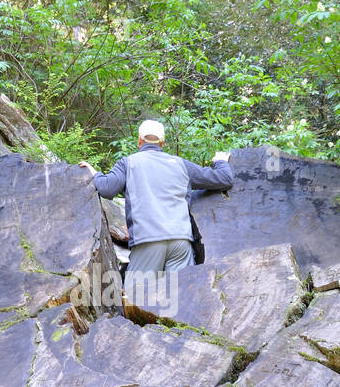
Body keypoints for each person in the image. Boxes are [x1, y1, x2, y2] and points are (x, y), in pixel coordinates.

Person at [79, 120, 233, 282]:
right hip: (181, 241)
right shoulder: (180, 164)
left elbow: (106, 188)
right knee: (181, 298)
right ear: (162, 143)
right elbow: (224, 179)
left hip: (147, 241)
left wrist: (95, 173)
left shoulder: (128, 163)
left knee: (137, 298)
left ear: (139, 141)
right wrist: (220, 161)